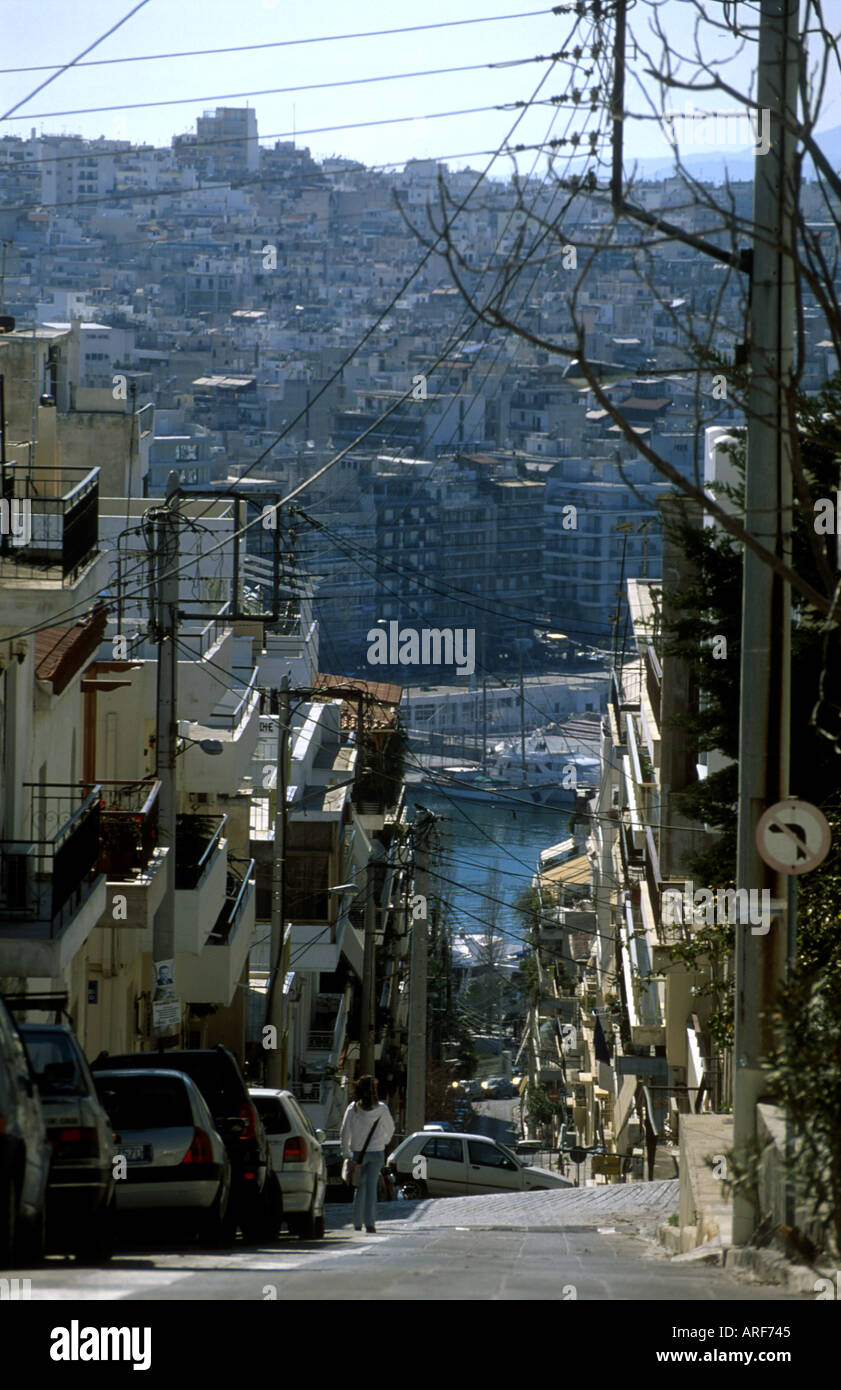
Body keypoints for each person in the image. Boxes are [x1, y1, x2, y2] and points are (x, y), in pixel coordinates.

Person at [340, 1075, 395, 1233]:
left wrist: (346, 1153)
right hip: (377, 1152)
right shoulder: (382, 1109)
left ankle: (357, 1222)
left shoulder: (353, 1108)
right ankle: (370, 1223)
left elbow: (344, 1132)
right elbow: (390, 1129)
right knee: (372, 1188)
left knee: (360, 1187)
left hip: (359, 1154)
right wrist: (383, 1141)